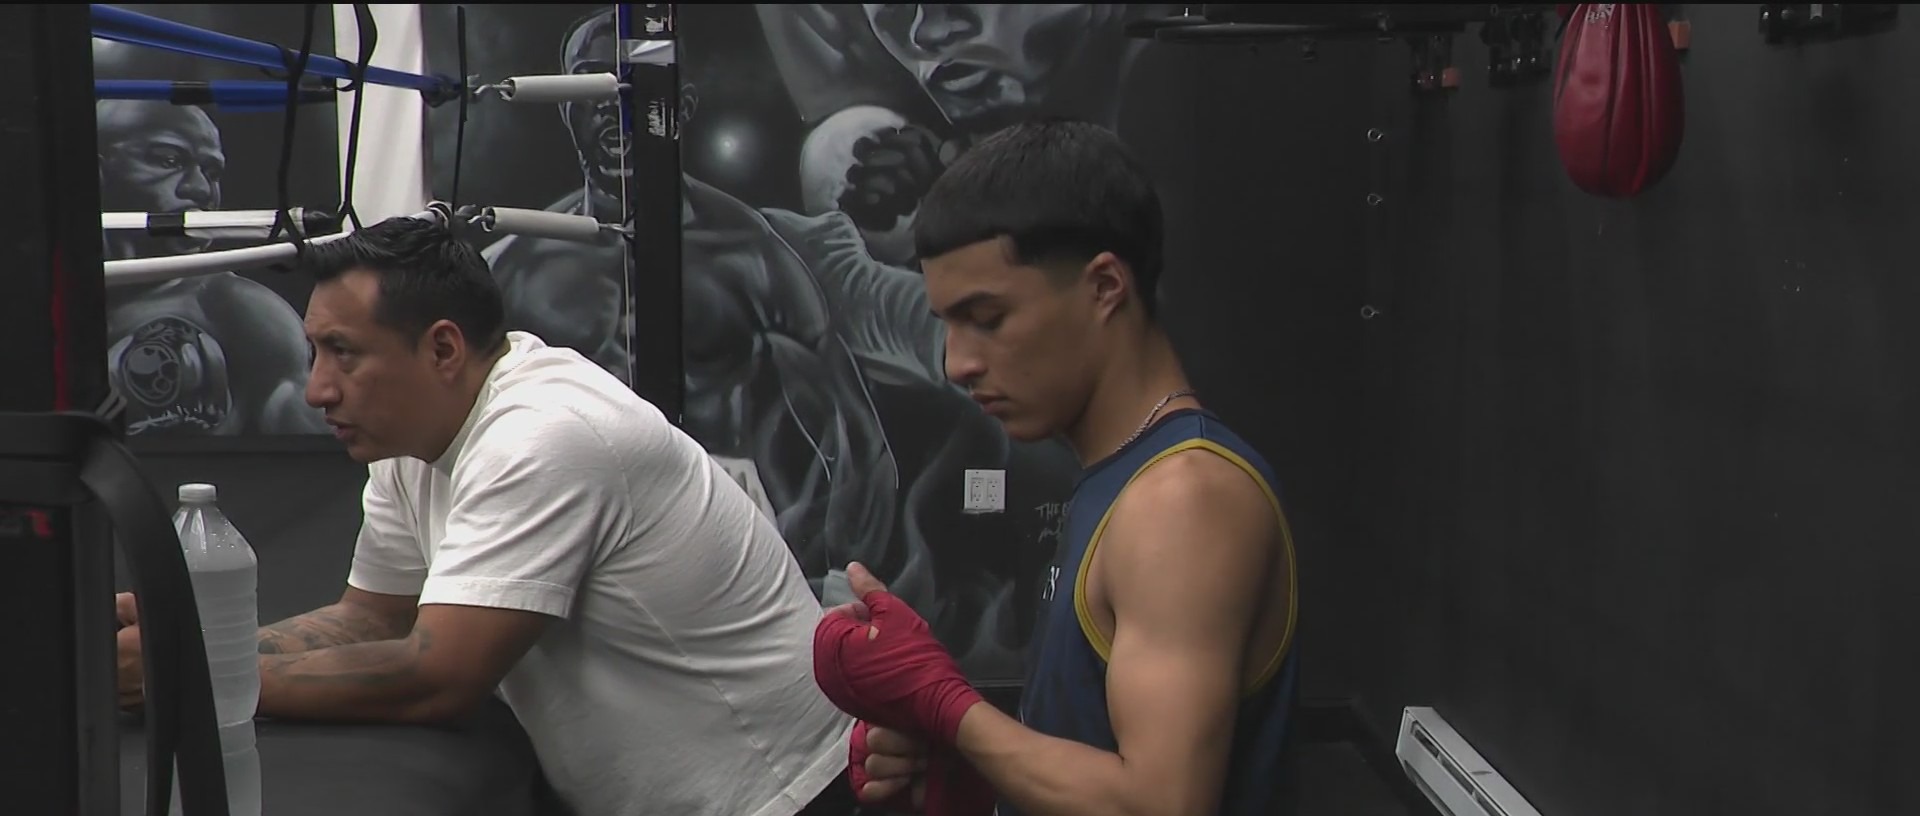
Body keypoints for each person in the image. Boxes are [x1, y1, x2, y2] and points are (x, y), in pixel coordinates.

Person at [115, 216, 856, 816]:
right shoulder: (409, 441)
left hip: (793, 794)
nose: (317, 391)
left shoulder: (543, 436)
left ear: (443, 348)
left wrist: (190, 675)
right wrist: (188, 639)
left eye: (343, 353)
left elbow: (437, 674)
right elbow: (376, 619)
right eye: (314, 352)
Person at [810, 118, 1301, 816]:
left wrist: (944, 706)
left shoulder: (1185, 498)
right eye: (947, 323)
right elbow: (1099, 759)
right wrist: (962, 765)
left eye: (987, 317)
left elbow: (1160, 804)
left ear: (1104, 286)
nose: (957, 363)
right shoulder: (1119, 480)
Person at [96, 100, 325, 437]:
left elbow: (310, 466)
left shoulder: (238, 310)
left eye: (212, 172)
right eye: (169, 160)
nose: (201, 189)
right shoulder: (26, 299)